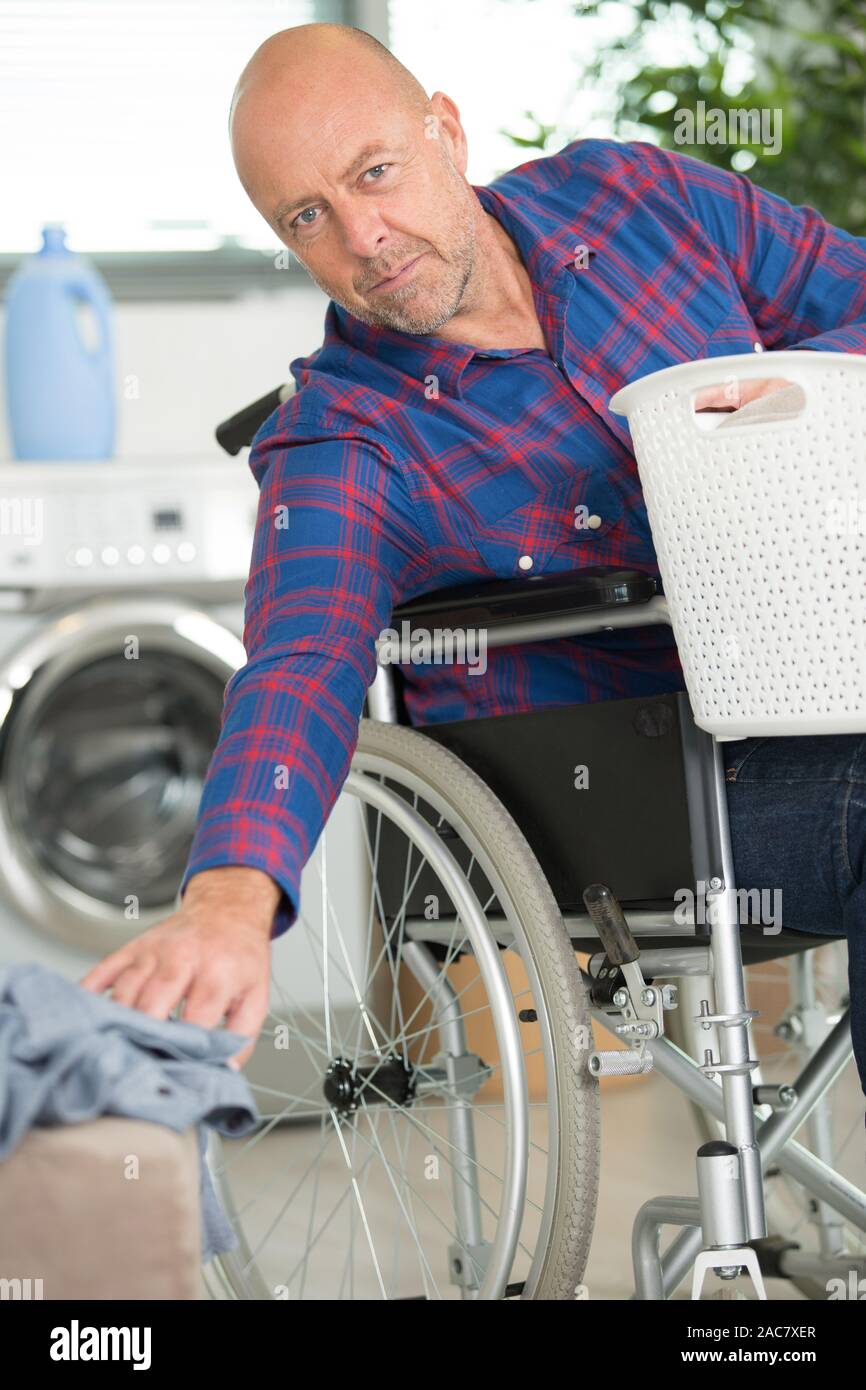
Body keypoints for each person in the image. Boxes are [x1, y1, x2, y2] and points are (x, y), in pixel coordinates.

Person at [81, 22, 866, 1092]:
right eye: (308, 217)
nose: (363, 235)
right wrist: (226, 898)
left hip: (818, 687)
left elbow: (853, 300)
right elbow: (299, 665)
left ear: (444, 131)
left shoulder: (637, 200)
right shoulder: (342, 443)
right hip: (633, 796)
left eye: (375, 173)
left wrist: (776, 399)